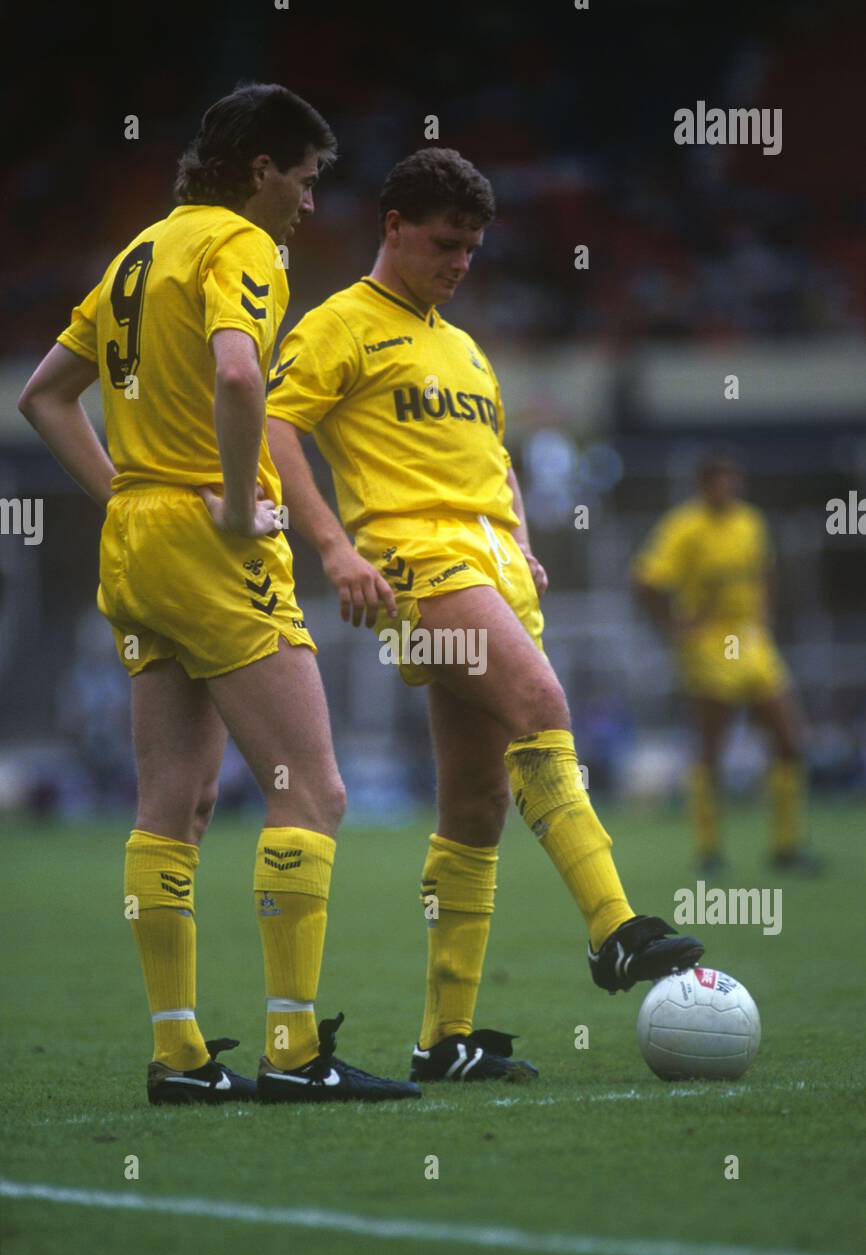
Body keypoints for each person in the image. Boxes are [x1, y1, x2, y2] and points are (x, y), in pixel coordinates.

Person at [265, 147, 703, 1085]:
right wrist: (335, 549)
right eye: (443, 245)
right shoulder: (339, 325)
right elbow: (272, 428)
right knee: (543, 706)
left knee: (476, 805)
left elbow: (492, 460)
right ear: (392, 227)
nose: (459, 264)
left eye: (471, 250)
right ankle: (615, 928)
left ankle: (444, 1040)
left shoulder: (463, 348)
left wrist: (521, 534)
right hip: (413, 568)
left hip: (497, 569)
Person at [18, 83, 419, 1106]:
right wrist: (241, 505)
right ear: (260, 169)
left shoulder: (133, 254)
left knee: (174, 805)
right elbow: (242, 380)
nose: (308, 204)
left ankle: (180, 1054)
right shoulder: (238, 245)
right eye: (305, 178)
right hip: (210, 542)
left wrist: (127, 496)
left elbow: (43, 397)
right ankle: (293, 1049)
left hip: (139, 545)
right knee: (312, 792)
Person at [633, 454, 820, 873]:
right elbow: (645, 579)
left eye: (733, 481)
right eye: (720, 482)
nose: (729, 489)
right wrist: (674, 626)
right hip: (709, 643)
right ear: (704, 486)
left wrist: (765, 614)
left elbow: (764, 571)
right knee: (711, 747)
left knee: (789, 737)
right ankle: (709, 851)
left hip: (751, 638)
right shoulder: (684, 527)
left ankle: (787, 847)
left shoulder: (750, 522)